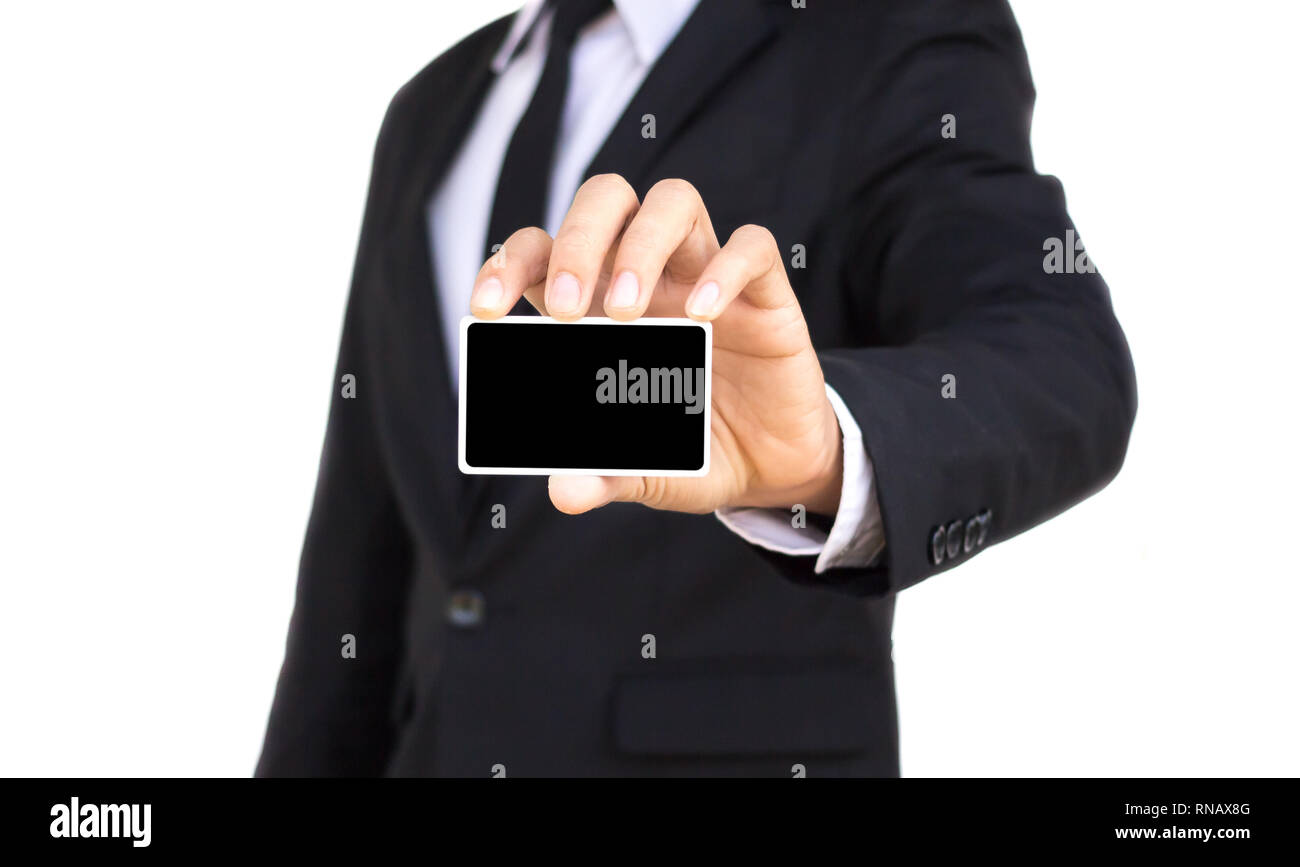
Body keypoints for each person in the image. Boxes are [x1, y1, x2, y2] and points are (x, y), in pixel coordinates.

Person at [256, 0, 1137, 777]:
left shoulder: (886, 30)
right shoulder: (429, 112)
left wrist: (829, 446)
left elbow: (1063, 357)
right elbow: (353, 585)